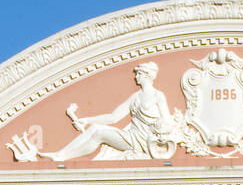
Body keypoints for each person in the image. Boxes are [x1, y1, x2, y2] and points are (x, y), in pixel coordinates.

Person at [38, 62, 176, 161]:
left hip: (143, 140)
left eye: (138, 74)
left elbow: (167, 120)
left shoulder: (158, 96)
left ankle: (63, 156)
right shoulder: (135, 97)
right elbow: (113, 117)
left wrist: (161, 135)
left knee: (99, 134)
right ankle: (60, 154)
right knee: (96, 127)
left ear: (146, 75)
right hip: (132, 136)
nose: (135, 77)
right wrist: (86, 120)